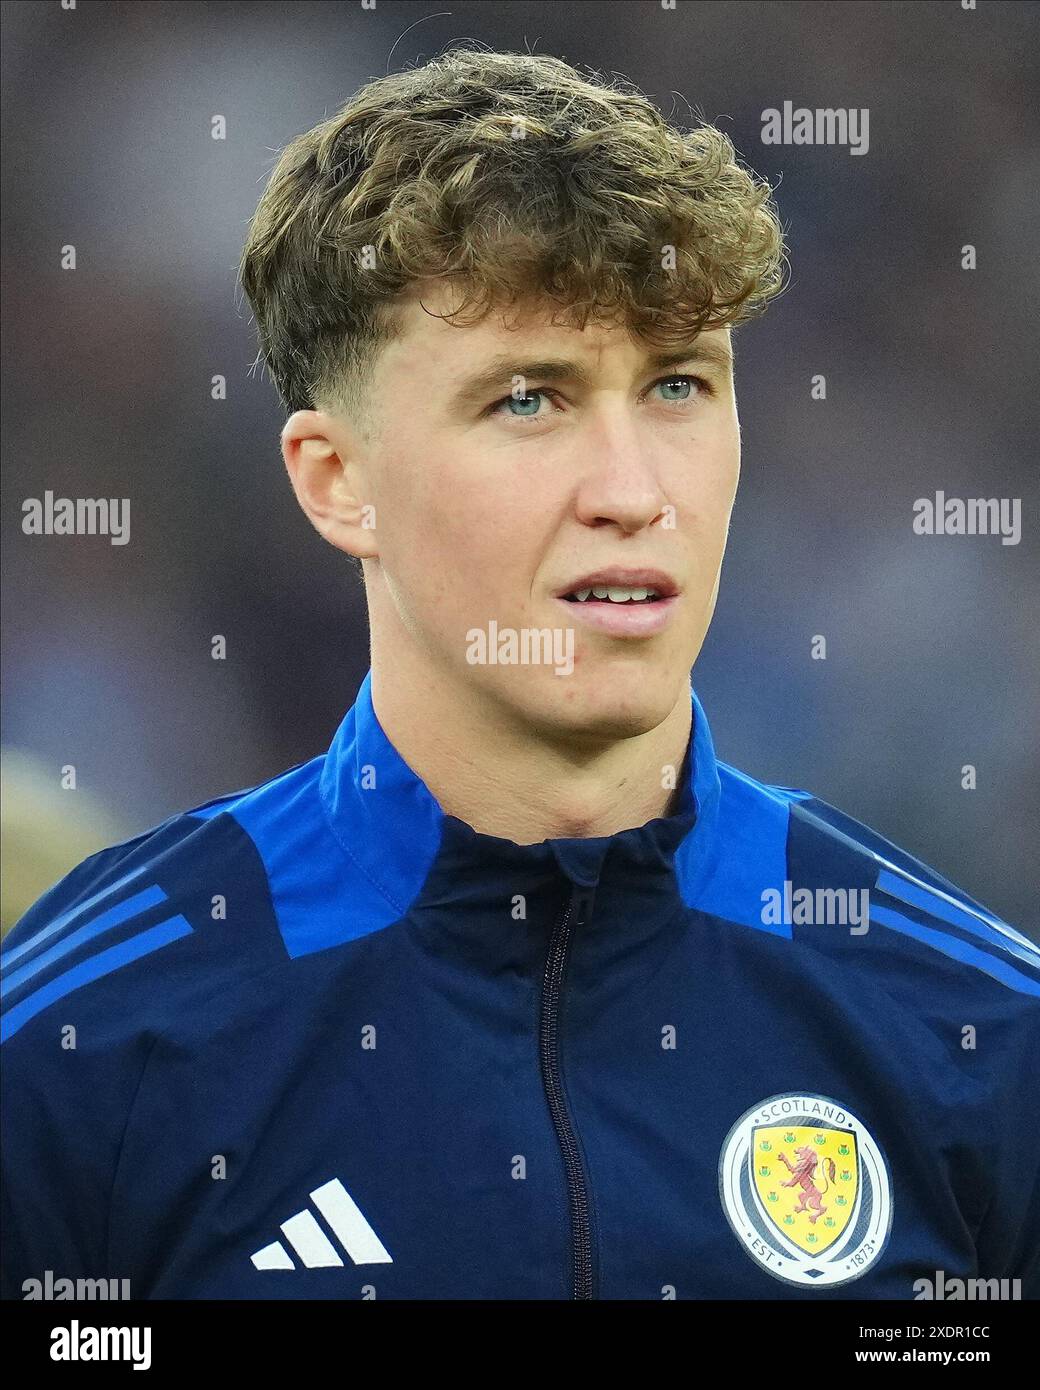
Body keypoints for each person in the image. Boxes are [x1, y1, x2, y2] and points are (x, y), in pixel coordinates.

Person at [2, 47, 1036, 1302]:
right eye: (528, 401)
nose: (630, 491)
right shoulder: (84, 1036)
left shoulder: (976, 1023)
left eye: (675, 385)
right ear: (337, 481)